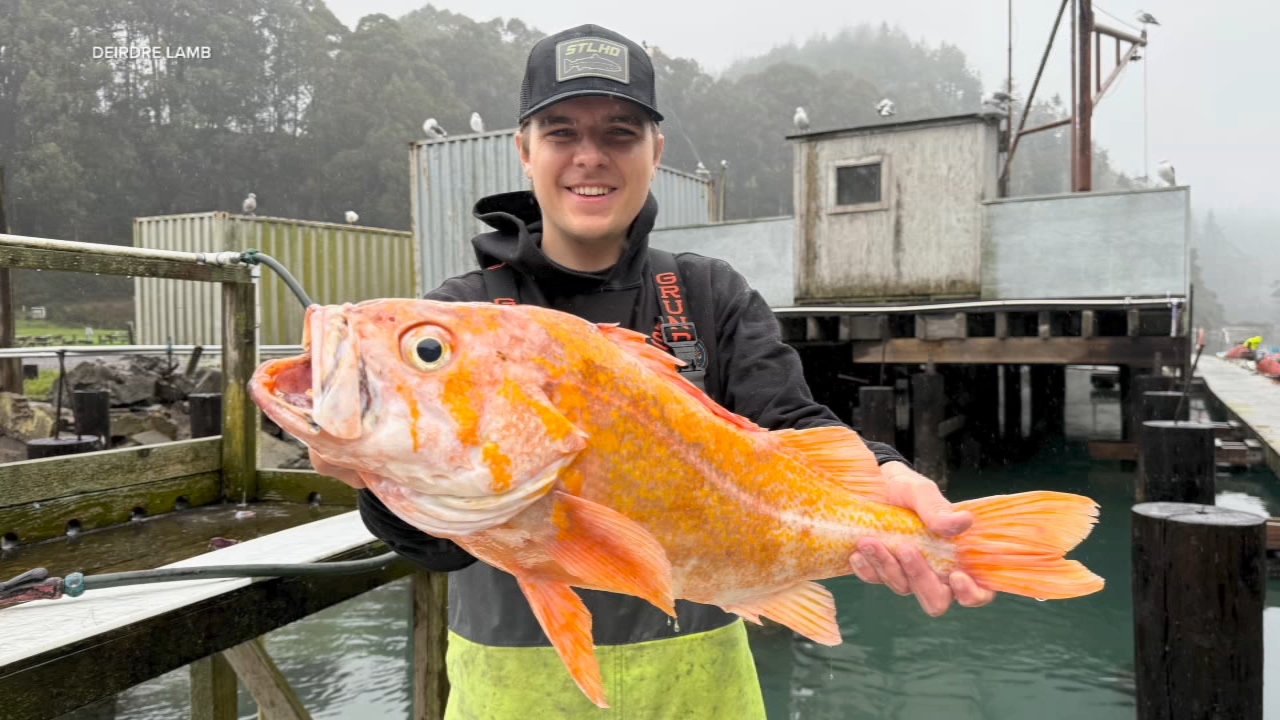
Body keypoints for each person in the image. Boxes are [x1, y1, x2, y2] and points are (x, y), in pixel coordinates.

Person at [321, 23, 994, 719]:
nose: (590, 156)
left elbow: (794, 425)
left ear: (655, 152)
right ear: (524, 151)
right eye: (561, 133)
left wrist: (884, 475)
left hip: (701, 690)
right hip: (513, 691)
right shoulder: (459, 316)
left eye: (619, 133)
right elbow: (438, 551)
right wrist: (376, 477)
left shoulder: (709, 292)